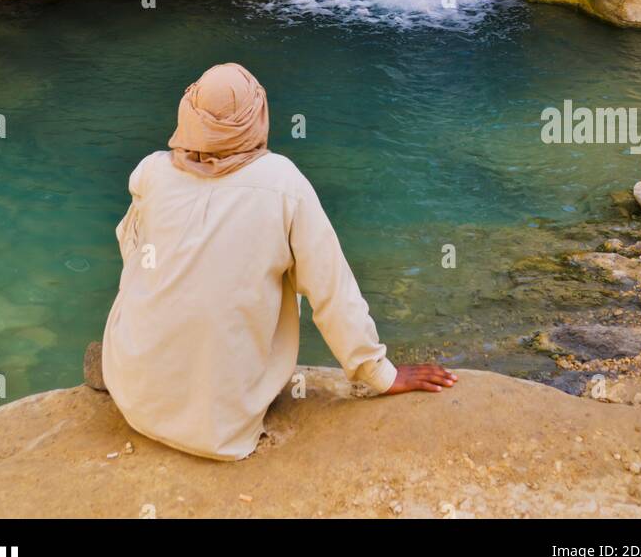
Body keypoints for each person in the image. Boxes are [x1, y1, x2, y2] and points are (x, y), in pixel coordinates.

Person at [101, 62, 456, 460]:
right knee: (290, 264)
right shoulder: (284, 183)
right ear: (257, 117)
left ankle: (148, 362)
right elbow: (332, 291)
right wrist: (379, 373)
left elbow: (131, 254)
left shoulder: (150, 171)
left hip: (134, 399)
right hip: (220, 427)